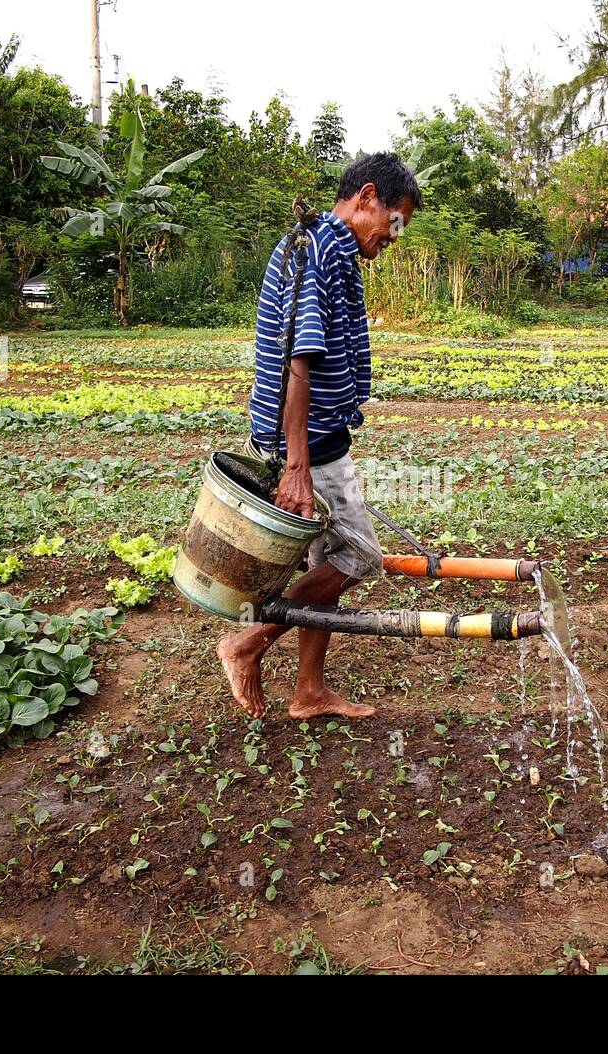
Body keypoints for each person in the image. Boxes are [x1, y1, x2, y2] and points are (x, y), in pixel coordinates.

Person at [217, 152, 422, 721]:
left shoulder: (329, 249)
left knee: (321, 565)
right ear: (366, 197)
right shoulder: (319, 252)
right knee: (358, 556)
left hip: (316, 437)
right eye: (395, 222)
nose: (394, 237)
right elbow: (296, 364)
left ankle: (309, 690)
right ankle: (246, 641)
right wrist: (297, 467)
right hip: (309, 444)